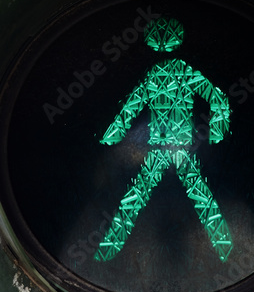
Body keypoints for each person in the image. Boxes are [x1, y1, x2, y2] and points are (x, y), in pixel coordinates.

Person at [95, 16, 233, 263]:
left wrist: (217, 131)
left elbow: (132, 105)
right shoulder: (172, 73)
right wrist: (216, 132)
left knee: (139, 197)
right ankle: (226, 250)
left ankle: (108, 249)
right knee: (196, 197)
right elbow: (134, 104)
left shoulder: (174, 73)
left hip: (173, 146)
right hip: (169, 146)